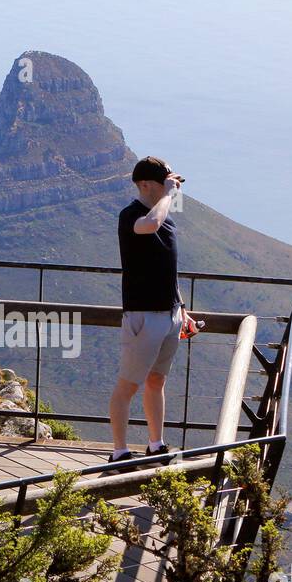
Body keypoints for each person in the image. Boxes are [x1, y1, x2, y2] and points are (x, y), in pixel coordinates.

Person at [108, 156, 186, 470]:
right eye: (163, 183)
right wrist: (168, 195)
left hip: (169, 314)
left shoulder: (167, 218)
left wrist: (181, 308)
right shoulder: (131, 216)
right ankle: (119, 452)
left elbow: (169, 267)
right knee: (128, 385)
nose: (170, 188)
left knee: (157, 380)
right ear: (144, 185)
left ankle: (156, 445)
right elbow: (149, 225)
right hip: (143, 316)